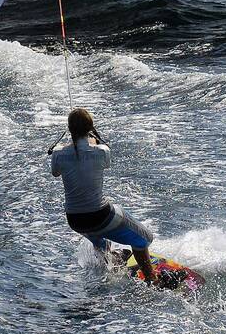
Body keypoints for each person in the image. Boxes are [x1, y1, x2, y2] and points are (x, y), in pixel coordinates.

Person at [50, 108, 157, 283]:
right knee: (144, 238)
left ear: (69, 130)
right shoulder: (101, 151)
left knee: (99, 238)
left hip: (75, 220)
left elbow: (56, 172)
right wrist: (92, 140)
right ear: (91, 129)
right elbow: (104, 160)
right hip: (100, 215)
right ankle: (151, 279)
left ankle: (113, 260)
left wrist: (66, 148)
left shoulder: (58, 154)